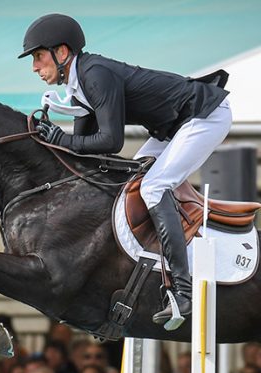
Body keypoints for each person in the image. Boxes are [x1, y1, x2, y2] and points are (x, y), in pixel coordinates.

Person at [21, 13, 231, 329]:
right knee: (131, 185)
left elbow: (110, 140)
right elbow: (90, 153)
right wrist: (50, 140)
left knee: (153, 188)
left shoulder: (95, 75)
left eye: (38, 57)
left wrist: (62, 138)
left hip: (204, 116)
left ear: (61, 52)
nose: (35, 67)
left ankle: (183, 291)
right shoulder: (78, 86)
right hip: (172, 128)